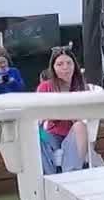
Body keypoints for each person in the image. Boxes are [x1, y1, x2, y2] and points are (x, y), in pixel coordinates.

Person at [36, 47, 89, 175]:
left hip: (72, 133)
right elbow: (38, 115)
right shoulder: (45, 87)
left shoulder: (81, 87)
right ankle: (49, 178)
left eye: (69, 63)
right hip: (51, 134)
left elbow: (83, 115)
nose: (65, 67)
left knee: (80, 126)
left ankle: (72, 174)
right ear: (53, 68)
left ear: (74, 66)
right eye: (60, 64)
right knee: (34, 133)